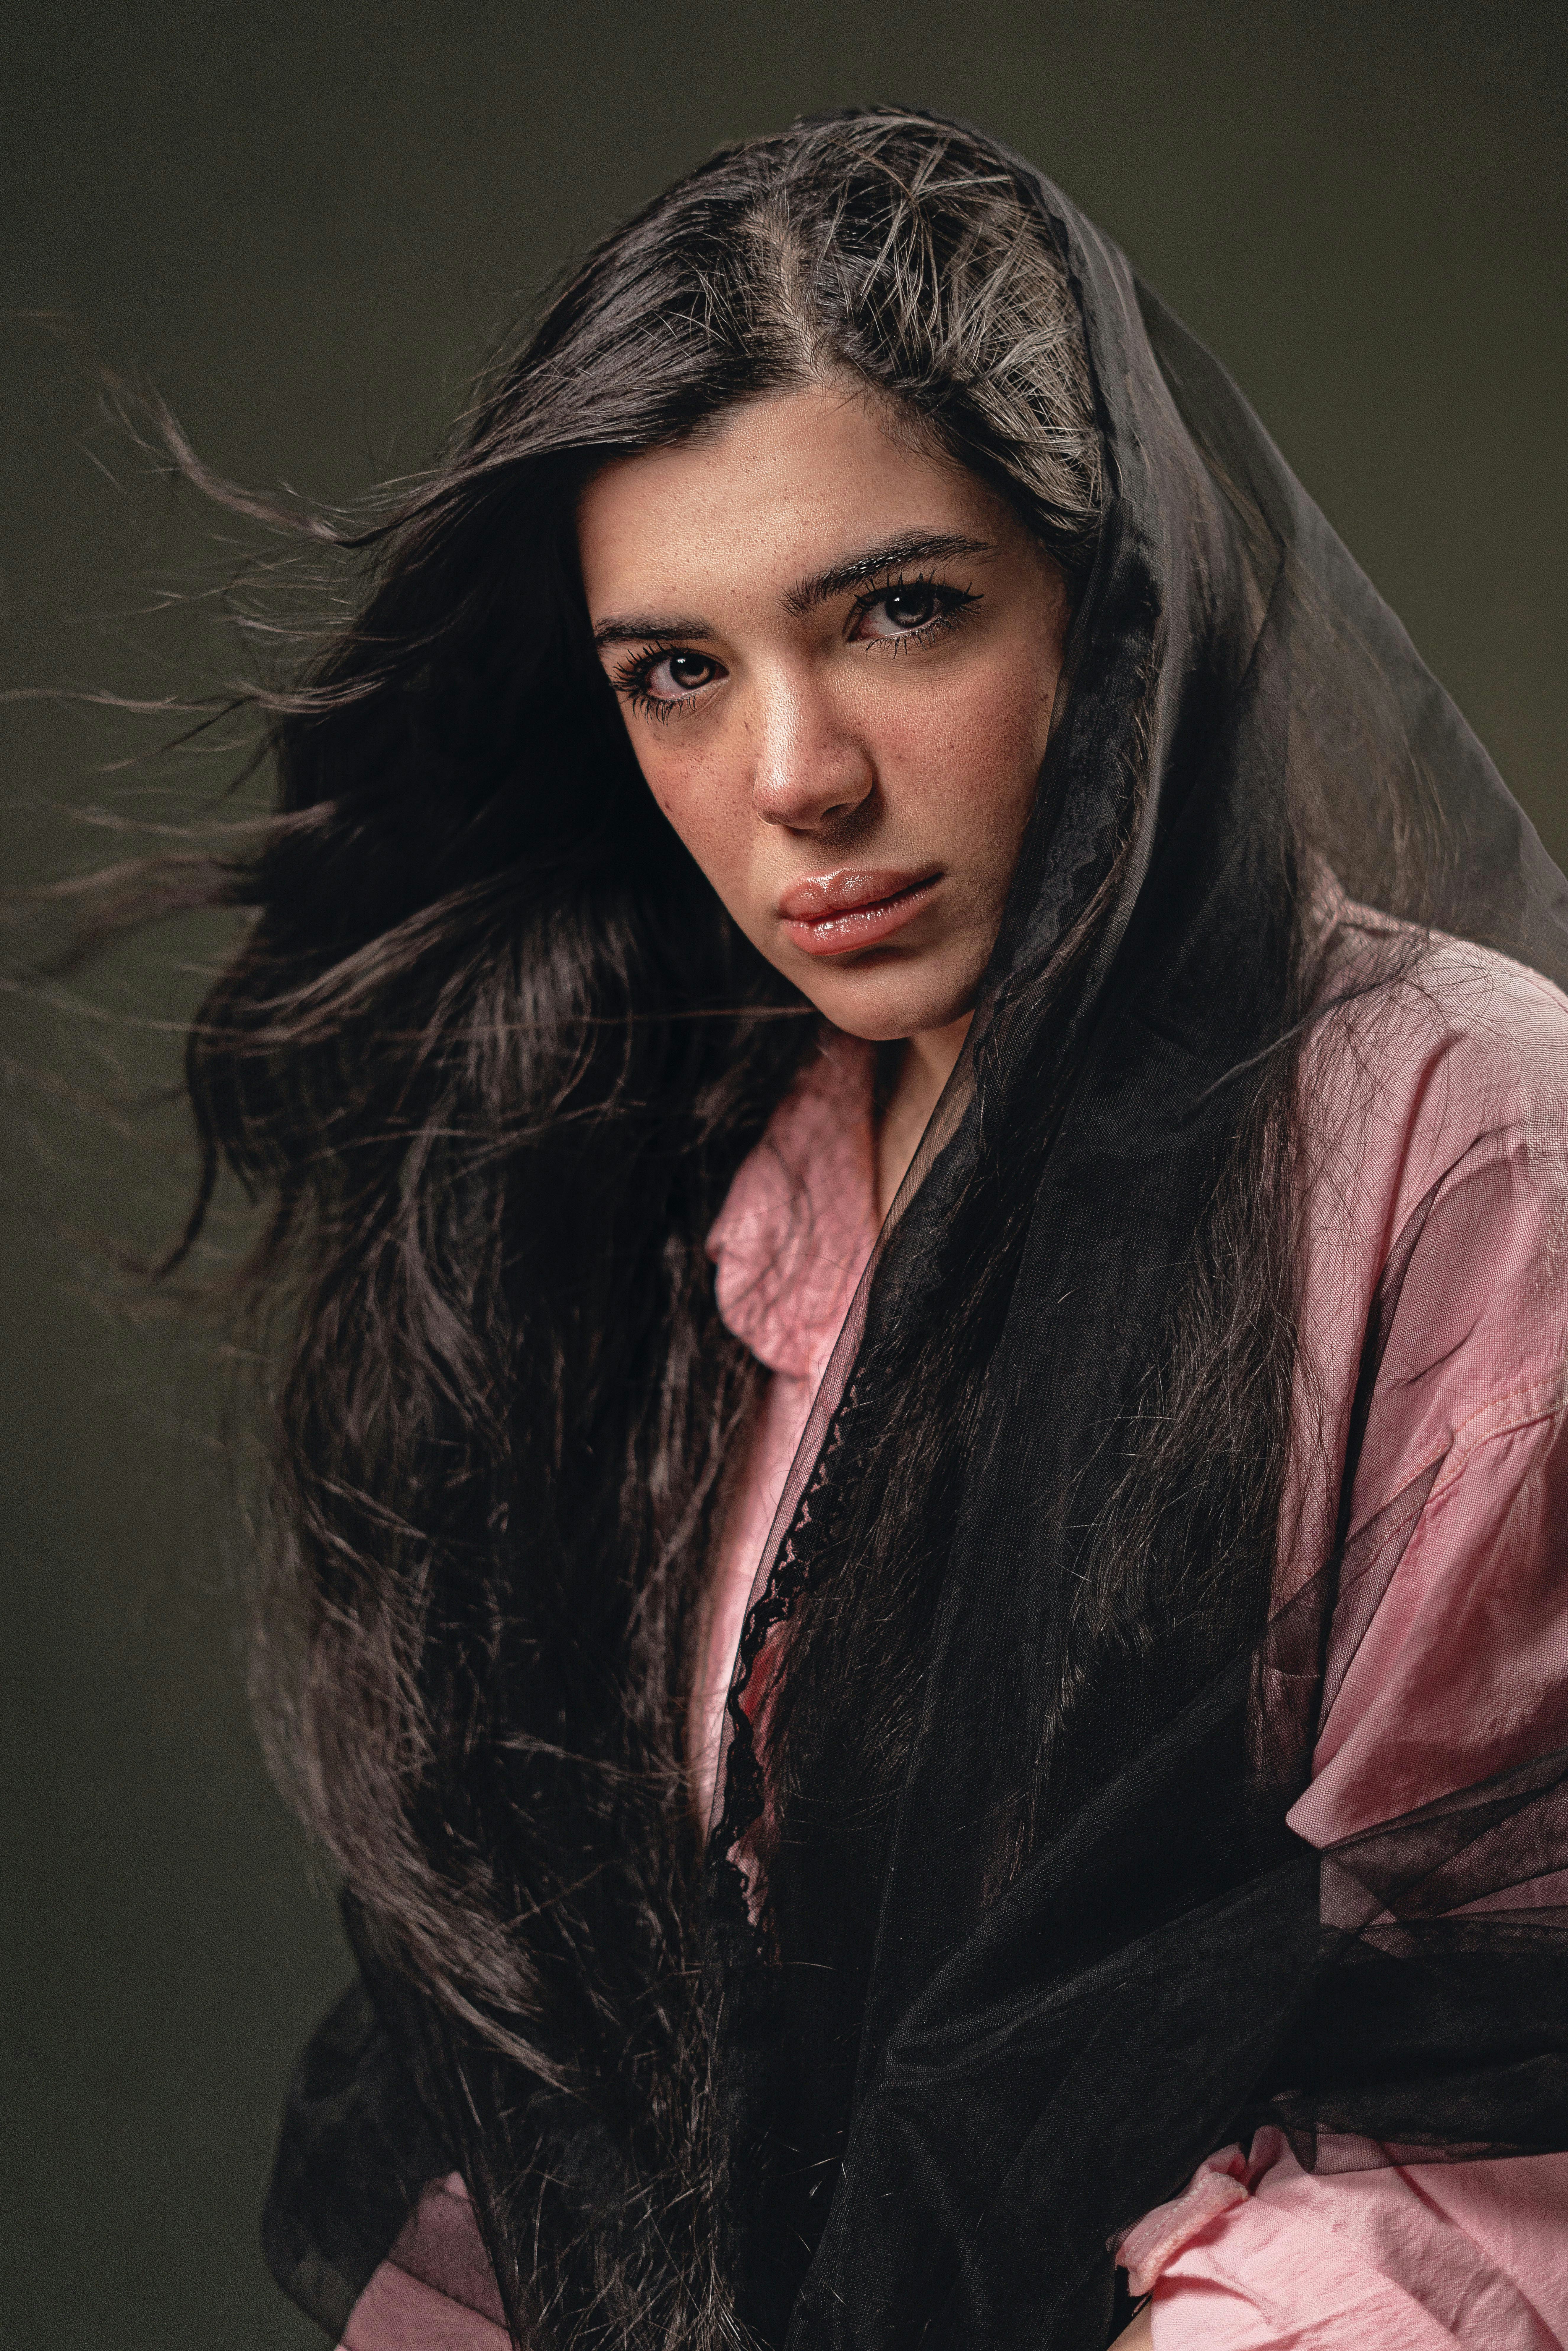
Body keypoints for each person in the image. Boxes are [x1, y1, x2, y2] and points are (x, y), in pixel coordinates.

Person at [95, 110, 1568, 2349]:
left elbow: (1485, 2089)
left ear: (1121, 602)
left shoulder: (1466, 1147)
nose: (794, 777)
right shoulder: (677, 1184)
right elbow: (584, 2080)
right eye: (676, 670)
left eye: (899, 613)